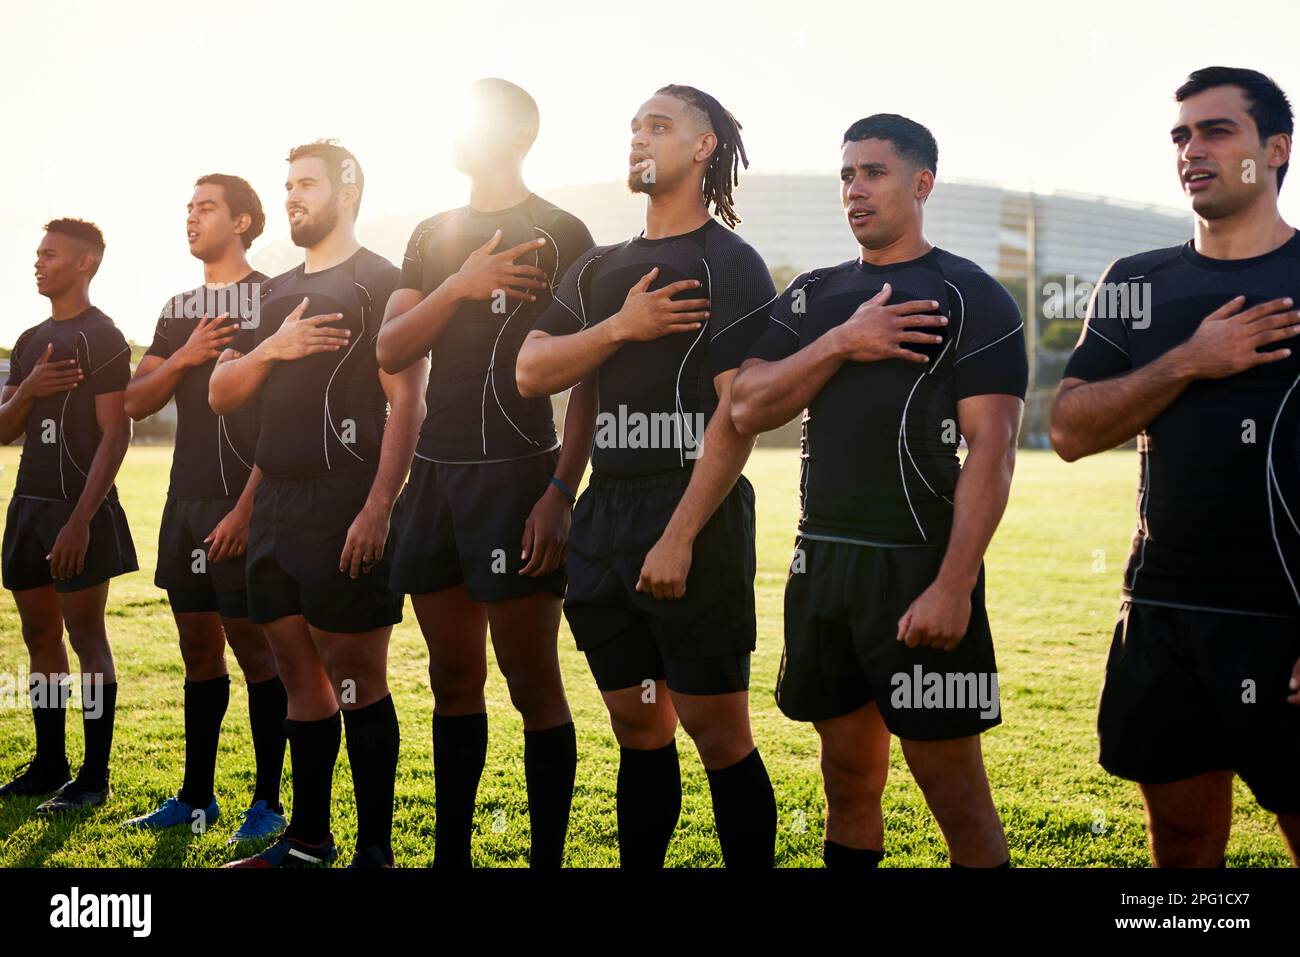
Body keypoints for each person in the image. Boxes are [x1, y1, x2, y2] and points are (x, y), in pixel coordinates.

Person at [731, 113, 1025, 869]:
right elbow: (746, 405)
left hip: (919, 569)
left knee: (954, 789)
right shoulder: (813, 295)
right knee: (848, 775)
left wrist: (955, 586)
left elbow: (991, 450)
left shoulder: (971, 296)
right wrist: (842, 341)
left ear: (921, 183)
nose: (855, 189)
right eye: (846, 175)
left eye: (874, 172)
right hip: (822, 564)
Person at [517, 85, 778, 868]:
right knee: (639, 725)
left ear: (704, 149)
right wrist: (621, 327)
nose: (639, 139)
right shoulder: (601, 267)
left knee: (718, 732)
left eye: (659, 127)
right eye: (633, 127)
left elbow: (738, 419)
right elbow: (533, 370)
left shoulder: (731, 264)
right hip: (607, 516)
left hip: (692, 511)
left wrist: (680, 534)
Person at [1051, 66, 1300, 867]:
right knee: (1184, 845)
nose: (1192, 149)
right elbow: (1068, 429)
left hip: (1283, 620)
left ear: (1276, 150)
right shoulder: (1136, 283)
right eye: (1181, 136)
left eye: (1216, 131)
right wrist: (1190, 360)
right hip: (1160, 611)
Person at [377, 78, 596, 868]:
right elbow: (392, 349)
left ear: (518, 136)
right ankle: (451, 857)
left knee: (531, 680)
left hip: (519, 479)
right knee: (452, 676)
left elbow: (590, 382)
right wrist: (461, 284)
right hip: (436, 480)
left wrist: (560, 491)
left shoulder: (564, 232)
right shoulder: (432, 232)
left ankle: (545, 861)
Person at [211, 141, 425, 868]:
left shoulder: (383, 282)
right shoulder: (271, 295)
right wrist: (273, 347)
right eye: (288, 185)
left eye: (307, 184)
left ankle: (375, 851)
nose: (293, 196)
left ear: (348, 189)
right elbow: (221, 391)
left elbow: (408, 403)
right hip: (276, 504)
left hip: (346, 500)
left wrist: (377, 507)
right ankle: (307, 841)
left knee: (358, 677)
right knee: (300, 676)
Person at [120, 174, 288, 845]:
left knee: (257, 650)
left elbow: (286, 417)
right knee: (197, 649)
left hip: (244, 498)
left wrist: (247, 507)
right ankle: (197, 797)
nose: (192, 217)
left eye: (207, 207)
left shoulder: (277, 297)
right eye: (188, 208)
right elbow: (135, 400)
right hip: (184, 498)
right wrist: (186, 353)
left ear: (243, 220)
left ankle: (268, 802)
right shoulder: (178, 305)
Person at [0, 218, 135, 815]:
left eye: (49, 254)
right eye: (36, 254)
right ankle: (49, 762)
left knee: (86, 638)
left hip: (78, 509)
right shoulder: (29, 339)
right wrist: (26, 388)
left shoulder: (102, 337)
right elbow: (5, 430)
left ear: (85, 263)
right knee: (39, 637)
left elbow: (117, 432)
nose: (38, 262)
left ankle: (93, 776)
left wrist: (81, 519)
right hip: (28, 505)